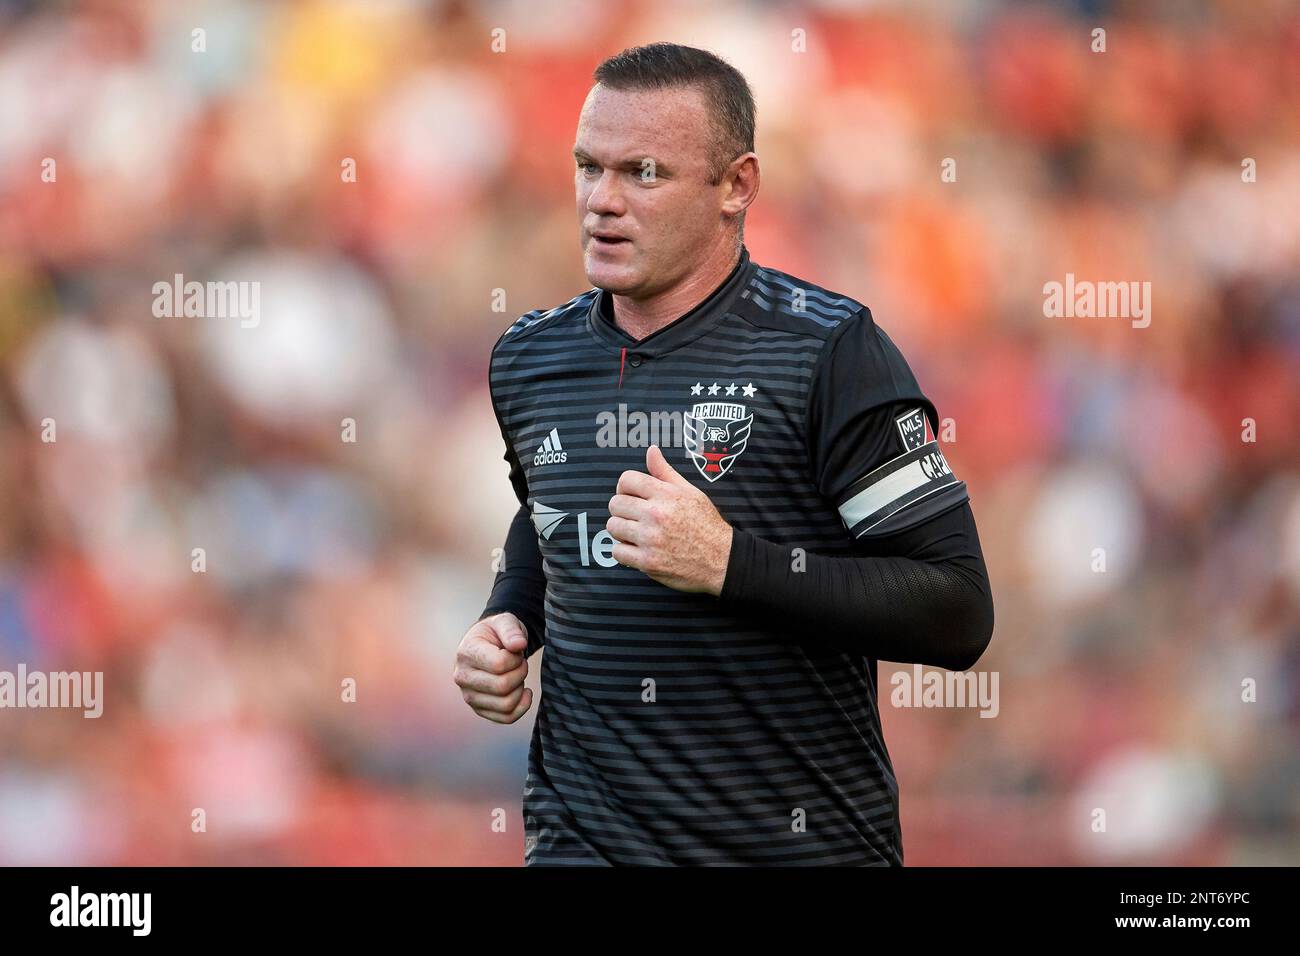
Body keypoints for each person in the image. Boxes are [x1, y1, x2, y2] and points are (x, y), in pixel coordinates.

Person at [453, 42, 994, 865]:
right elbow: (549, 512)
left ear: (736, 186)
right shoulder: (531, 358)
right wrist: (509, 616)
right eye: (588, 167)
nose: (602, 200)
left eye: (643, 173)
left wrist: (730, 563)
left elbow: (956, 610)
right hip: (580, 846)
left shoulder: (827, 350)